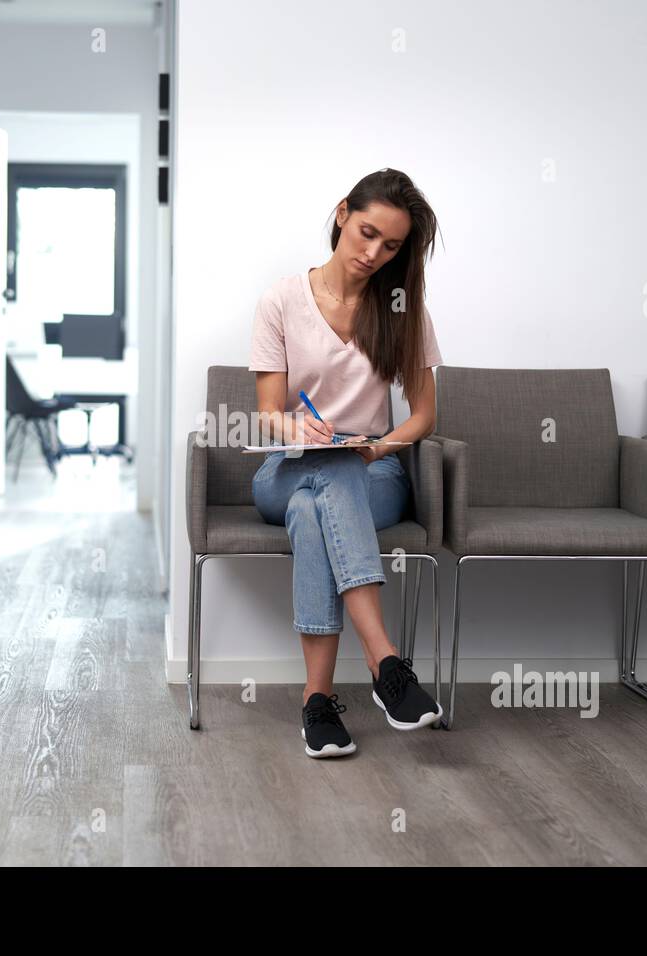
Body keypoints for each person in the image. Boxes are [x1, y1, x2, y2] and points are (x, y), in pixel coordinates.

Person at [247, 168, 444, 758]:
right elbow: (266, 411)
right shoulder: (282, 299)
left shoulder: (403, 309)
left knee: (317, 504)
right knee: (319, 474)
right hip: (284, 468)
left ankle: (318, 701)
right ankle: (387, 663)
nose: (373, 253)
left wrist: (380, 446)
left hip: (372, 472)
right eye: (366, 233)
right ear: (341, 213)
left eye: (390, 246)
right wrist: (296, 427)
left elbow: (424, 416)